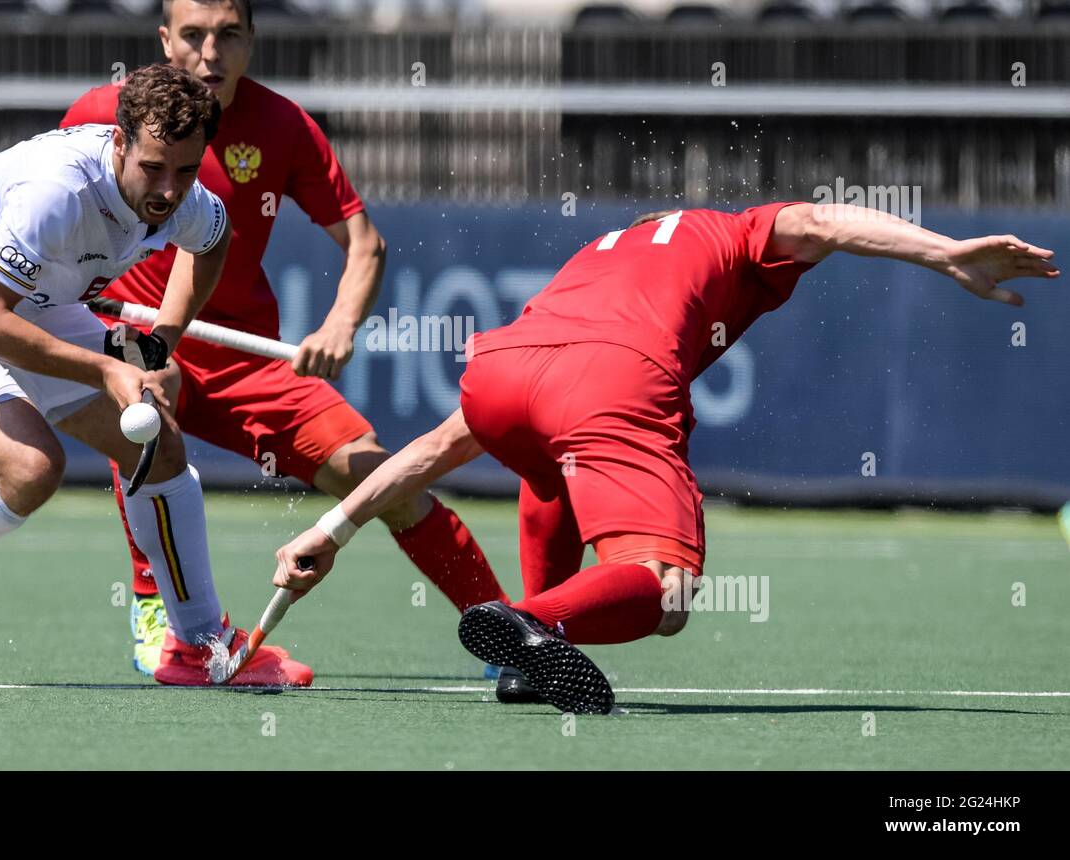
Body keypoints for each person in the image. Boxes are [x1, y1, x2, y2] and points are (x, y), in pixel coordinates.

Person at [270, 201, 1060, 713]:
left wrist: (332, 528)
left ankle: (527, 663)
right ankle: (528, 621)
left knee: (550, 463)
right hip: (612, 378)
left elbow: (443, 445)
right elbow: (822, 221)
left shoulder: (600, 253)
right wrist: (945, 252)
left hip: (503, 369)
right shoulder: (738, 230)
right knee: (667, 591)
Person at [61, 0, 506, 675]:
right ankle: (154, 607)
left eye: (229, 35)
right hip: (144, 341)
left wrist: (339, 325)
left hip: (249, 359)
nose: (211, 54)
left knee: (381, 479)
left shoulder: (282, 125)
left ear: (252, 40)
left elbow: (364, 242)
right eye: (194, 35)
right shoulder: (97, 111)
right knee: (148, 398)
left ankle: (504, 632)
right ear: (164, 40)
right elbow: (40, 210)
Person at [0, 63, 310, 687]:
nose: (168, 191)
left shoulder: (182, 195)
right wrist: (106, 370)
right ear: (120, 142)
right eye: (153, 168)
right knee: (31, 467)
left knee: (159, 448)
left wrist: (159, 346)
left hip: (34, 302)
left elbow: (212, 242)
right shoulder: (58, 193)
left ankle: (199, 646)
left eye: (185, 170)